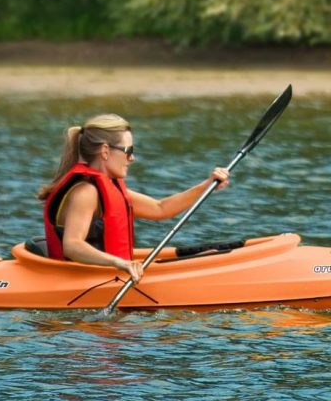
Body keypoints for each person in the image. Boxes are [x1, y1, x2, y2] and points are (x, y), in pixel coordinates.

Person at [37, 114, 229, 282]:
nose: (132, 158)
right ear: (105, 151)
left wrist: (207, 186)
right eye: (128, 151)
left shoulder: (109, 188)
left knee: (206, 256)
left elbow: (160, 208)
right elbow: (72, 245)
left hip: (109, 274)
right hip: (81, 279)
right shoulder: (85, 192)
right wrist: (119, 263)